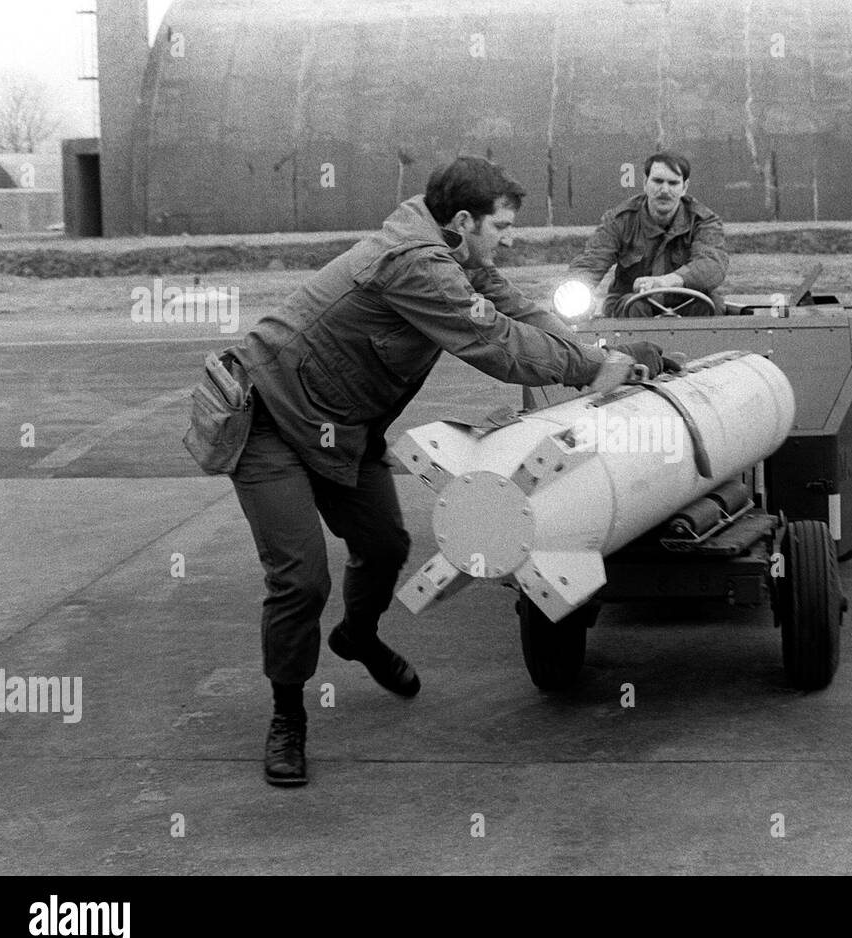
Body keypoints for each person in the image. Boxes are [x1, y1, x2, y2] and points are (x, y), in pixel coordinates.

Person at [223, 156, 677, 786]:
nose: (510, 238)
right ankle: (288, 718)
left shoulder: (456, 251)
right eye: (504, 225)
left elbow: (520, 313)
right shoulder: (417, 264)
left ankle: (358, 635)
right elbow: (497, 344)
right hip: (272, 418)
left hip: (341, 429)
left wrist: (603, 354)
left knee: (384, 547)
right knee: (301, 578)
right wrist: (587, 371)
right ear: (464, 221)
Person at [568, 150, 728, 317]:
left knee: (711, 305)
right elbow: (592, 262)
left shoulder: (704, 221)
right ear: (645, 183)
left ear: (684, 187)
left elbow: (712, 264)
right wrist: (571, 290)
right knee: (635, 307)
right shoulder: (620, 220)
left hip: (687, 301)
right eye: (658, 181)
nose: (665, 190)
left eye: (673, 183)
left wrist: (667, 281)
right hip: (631, 303)